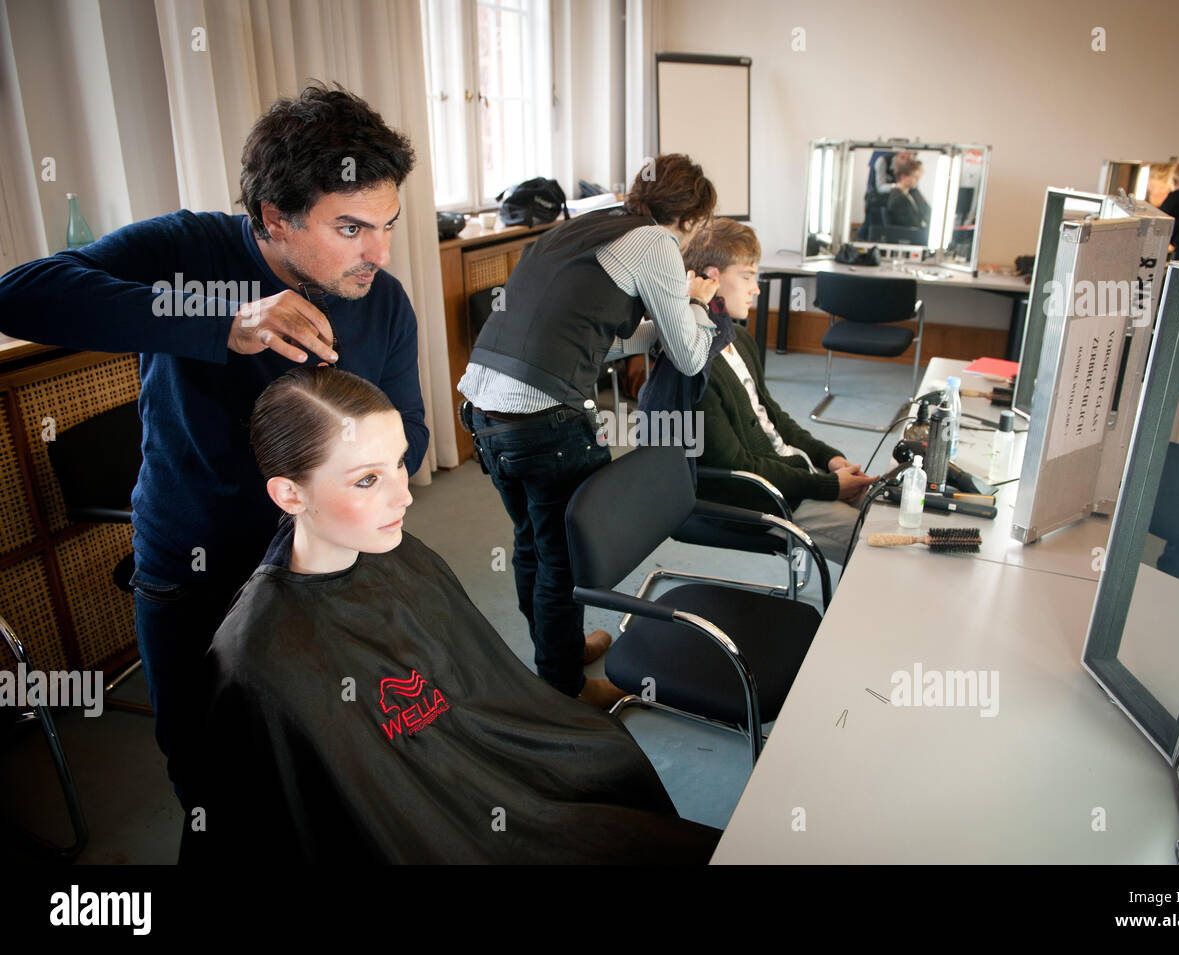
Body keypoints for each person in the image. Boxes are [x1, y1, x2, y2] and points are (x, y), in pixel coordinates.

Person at [0, 84, 429, 802]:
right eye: (351, 229)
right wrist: (219, 318)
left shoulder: (381, 300)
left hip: (323, 575)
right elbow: (21, 293)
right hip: (196, 572)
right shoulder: (186, 249)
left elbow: (410, 430)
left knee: (326, 765)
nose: (379, 253)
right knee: (209, 774)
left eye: (387, 225)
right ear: (274, 217)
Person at [183, 366, 719, 863]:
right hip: (426, 830)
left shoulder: (400, 555)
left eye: (399, 463)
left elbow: (482, 685)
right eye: (367, 480)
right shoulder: (258, 657)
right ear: (289, 494)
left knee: (606, 756)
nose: (403, 496)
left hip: (474, 767)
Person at [458, 154, 719, 709]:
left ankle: (561, 652)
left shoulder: (581, 227)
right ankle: (563, 689)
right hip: (544, 422)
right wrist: (696, 303)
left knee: (533, 542)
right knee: (564, 560)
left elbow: (592, 332)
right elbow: (692, 357)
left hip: (482, 411)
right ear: (692, 220)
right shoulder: (656, 244)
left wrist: (657, 329)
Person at [684, 219, 875, 565]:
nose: (756, 289)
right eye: (747, 276)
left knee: (883, 504)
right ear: (712, 278)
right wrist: (828, 487)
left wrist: (827, 459)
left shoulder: (738, 340)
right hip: (758, 498)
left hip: (791, 476)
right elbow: (737, 468)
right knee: (871, 543)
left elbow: (773, 417)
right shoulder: (697, 364)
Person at [885, 156, 931, 232]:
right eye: (915, 177)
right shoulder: (898, 199)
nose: (917, 180)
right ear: (903, 177)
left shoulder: (911, 193)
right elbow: (912, 224)